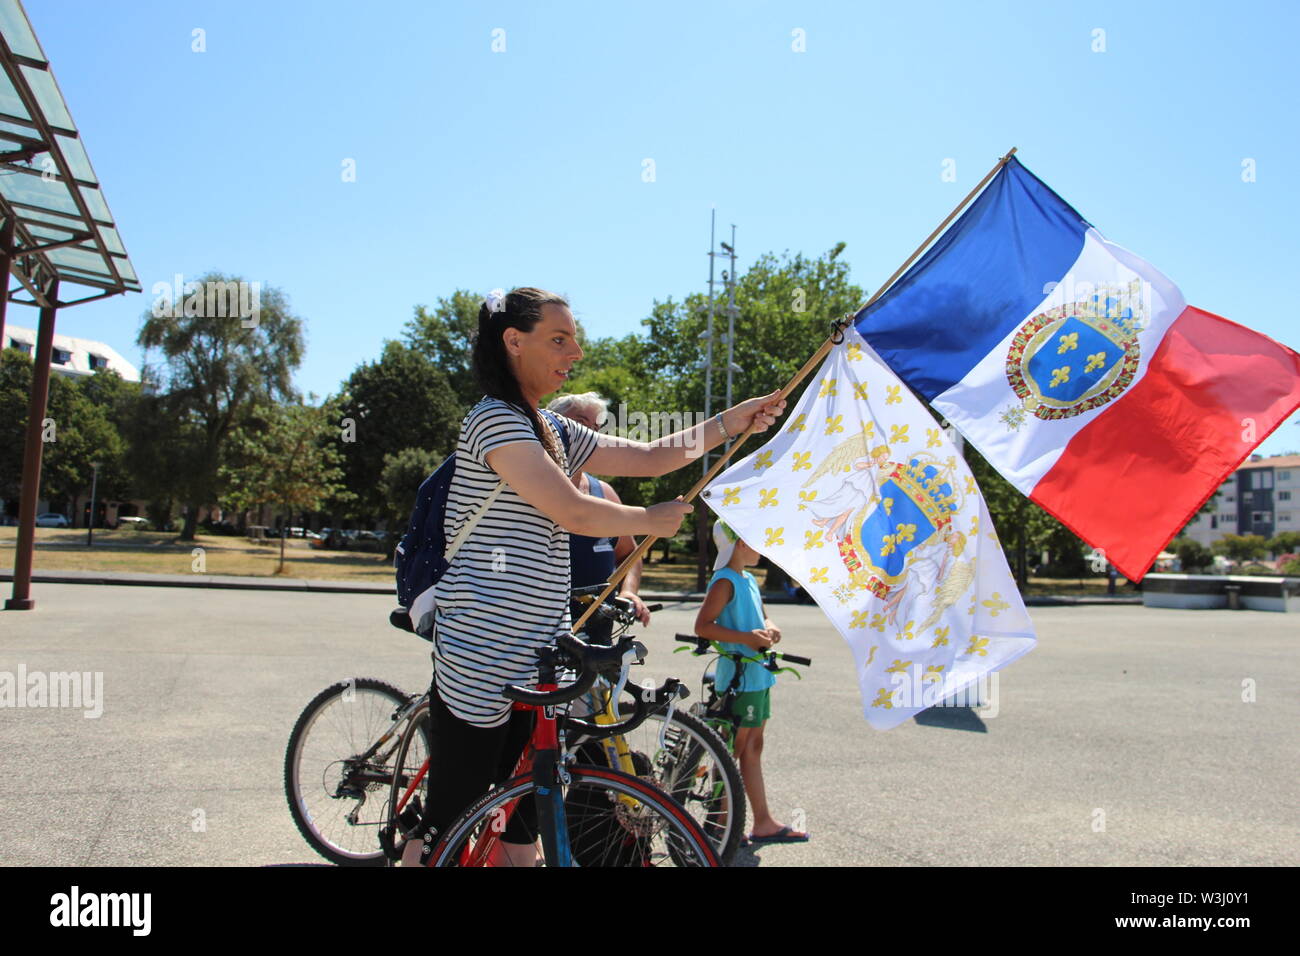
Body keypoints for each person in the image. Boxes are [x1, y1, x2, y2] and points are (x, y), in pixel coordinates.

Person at [401, 286, 785, 866]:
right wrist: (648, 518)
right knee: (451, 814)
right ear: (513, 341)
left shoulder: (553, 429)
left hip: (540, 643)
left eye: (574, 338)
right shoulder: (493, 421)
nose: (575, 351)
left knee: (522, 805)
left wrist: (737, 419)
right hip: (483, 645)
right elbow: (571, 510)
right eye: (559, 339)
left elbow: (654, 455)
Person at [695, 520, 809, 845]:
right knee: (732, 750)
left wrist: (770, 628)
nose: (764, 547)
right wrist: (746, 638)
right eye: (759, 539)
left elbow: (762, 613)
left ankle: (761, 822)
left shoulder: (747, 580)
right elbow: (703, 625)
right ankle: (719, 825)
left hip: (758, 676)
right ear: (740, 543)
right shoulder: (725, 581)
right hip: (738, 680)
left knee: (753, 747)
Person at [547, 391, 650, 645]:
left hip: (596, 637)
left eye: (595, 428)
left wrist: (628, 592)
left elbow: (630, 555)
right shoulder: (525, 487)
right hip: (536, 634)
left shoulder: (604, 493)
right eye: (581, 424)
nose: (590, 435)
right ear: (550, 426)